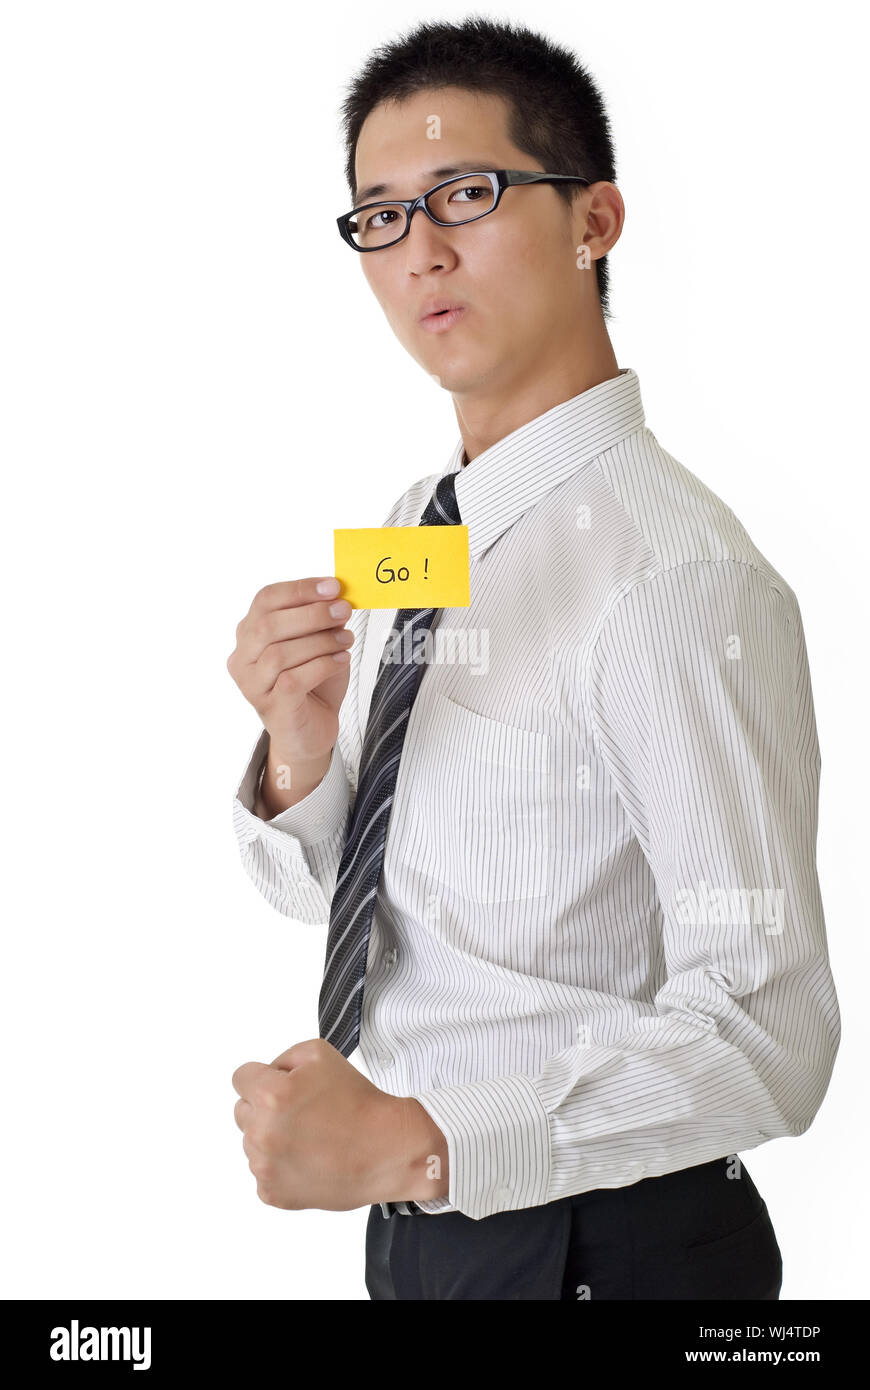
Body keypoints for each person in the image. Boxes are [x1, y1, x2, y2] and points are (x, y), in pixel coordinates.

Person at [226, 18, 840, 1300]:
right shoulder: (423, 526)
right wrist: (300, 750)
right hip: (432, 1223)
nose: (422, 251)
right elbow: (366, 899)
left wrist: (421, 1139)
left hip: (597, 1245)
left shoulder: (679, 583)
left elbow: (770, 1035)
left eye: (468, 193)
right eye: (380, 216)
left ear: (595, 218)